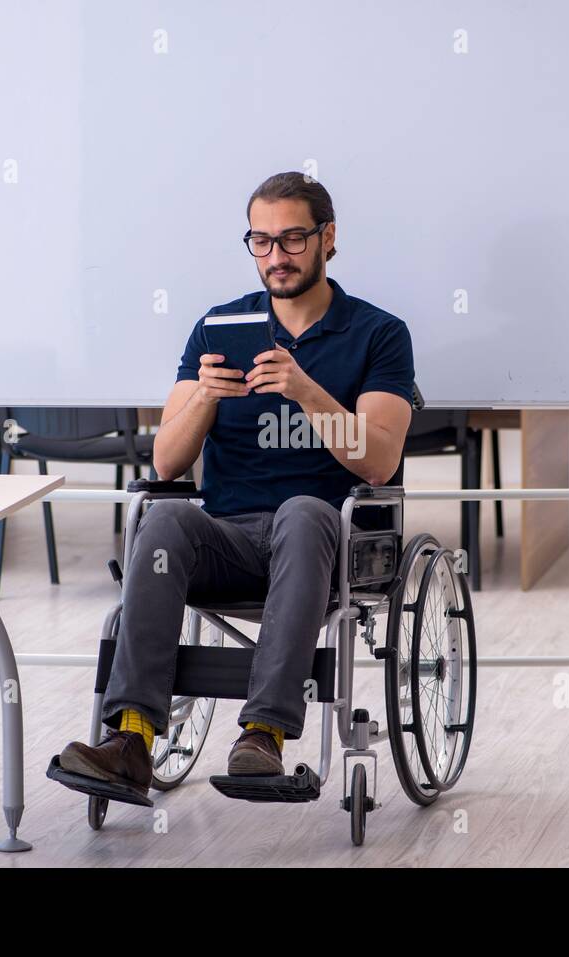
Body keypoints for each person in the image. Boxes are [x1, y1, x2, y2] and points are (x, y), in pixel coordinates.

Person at [57, 171, 414, 796]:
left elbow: (378, 461)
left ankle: (263, 735)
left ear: (328, 239)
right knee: (165, 517)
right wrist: (204, 397)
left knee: (304, 510)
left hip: (321, 545)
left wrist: (305, 389)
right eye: (261, 241)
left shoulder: (379, 334)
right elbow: (166, 464)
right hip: (228, 540)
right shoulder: (218, 328)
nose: (276, 257)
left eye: (293, 239)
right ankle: (131, 740)